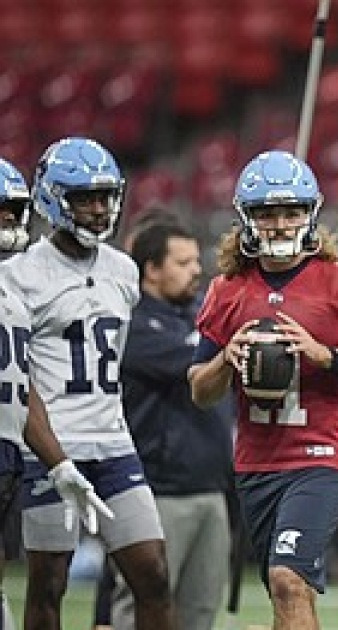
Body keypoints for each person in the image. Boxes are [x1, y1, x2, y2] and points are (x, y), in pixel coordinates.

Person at [187, 150, 338, 630]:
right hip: (257, 461)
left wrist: (324, 354)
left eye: (291, 212)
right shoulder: (227, 289)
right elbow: (199, 390)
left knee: (287, 578)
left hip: (322, 456)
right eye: (267, 213)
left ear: (311, 214)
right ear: (247, 219)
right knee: (288, 591)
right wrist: (227, 357)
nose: (280, 224)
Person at [8, 138, 174, 630]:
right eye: (85, 198)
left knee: (153, 575)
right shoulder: (19, 275)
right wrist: (56, 461)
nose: (100, 209)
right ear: (53, 198)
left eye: (105, 197)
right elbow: (21, 380)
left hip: (114, 444)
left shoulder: (123, 270)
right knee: (48, 585)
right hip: (50, 444)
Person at [100, 219, 234, 630]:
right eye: (183, 262)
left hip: (210, 489)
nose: (196, 269)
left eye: (196, 260)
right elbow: (192, 361)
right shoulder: (132, 322)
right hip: (158, 490)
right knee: (142, 604)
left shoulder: (198, 317)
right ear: (152, 269)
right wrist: (230, 347)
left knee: (199, 613)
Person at [0, 156, 113, 628]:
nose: (7, 218)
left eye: (13, 208)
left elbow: (20, 386)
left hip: (7, 453)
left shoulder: (9, 287)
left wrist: (59, 463)